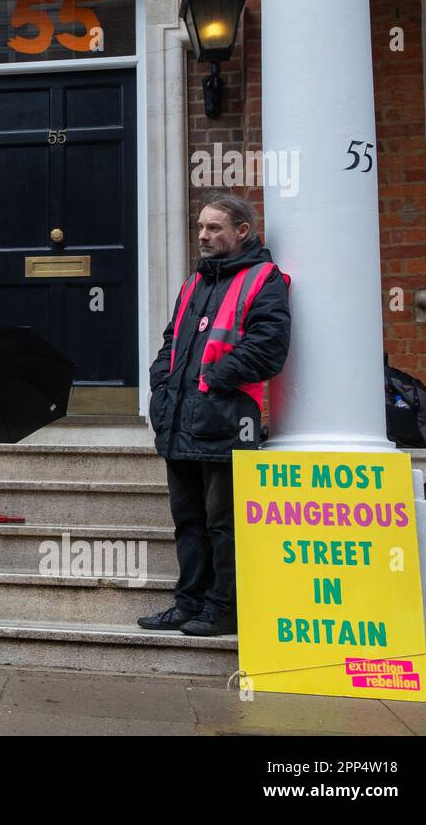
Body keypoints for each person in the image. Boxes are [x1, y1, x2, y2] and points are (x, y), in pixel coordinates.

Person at [139, 194, 291, 637]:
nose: (203, 236)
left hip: (226, 418)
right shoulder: (193, 283)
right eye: (201, 227)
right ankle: (187, 603)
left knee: (222, 523)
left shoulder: (265, 278)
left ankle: (223, 609)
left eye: (214, 228)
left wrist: (212, 378)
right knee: (188, 521)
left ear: (242, 231)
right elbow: (171, 341)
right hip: (179, 417)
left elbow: (268, 347)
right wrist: (160, 381)